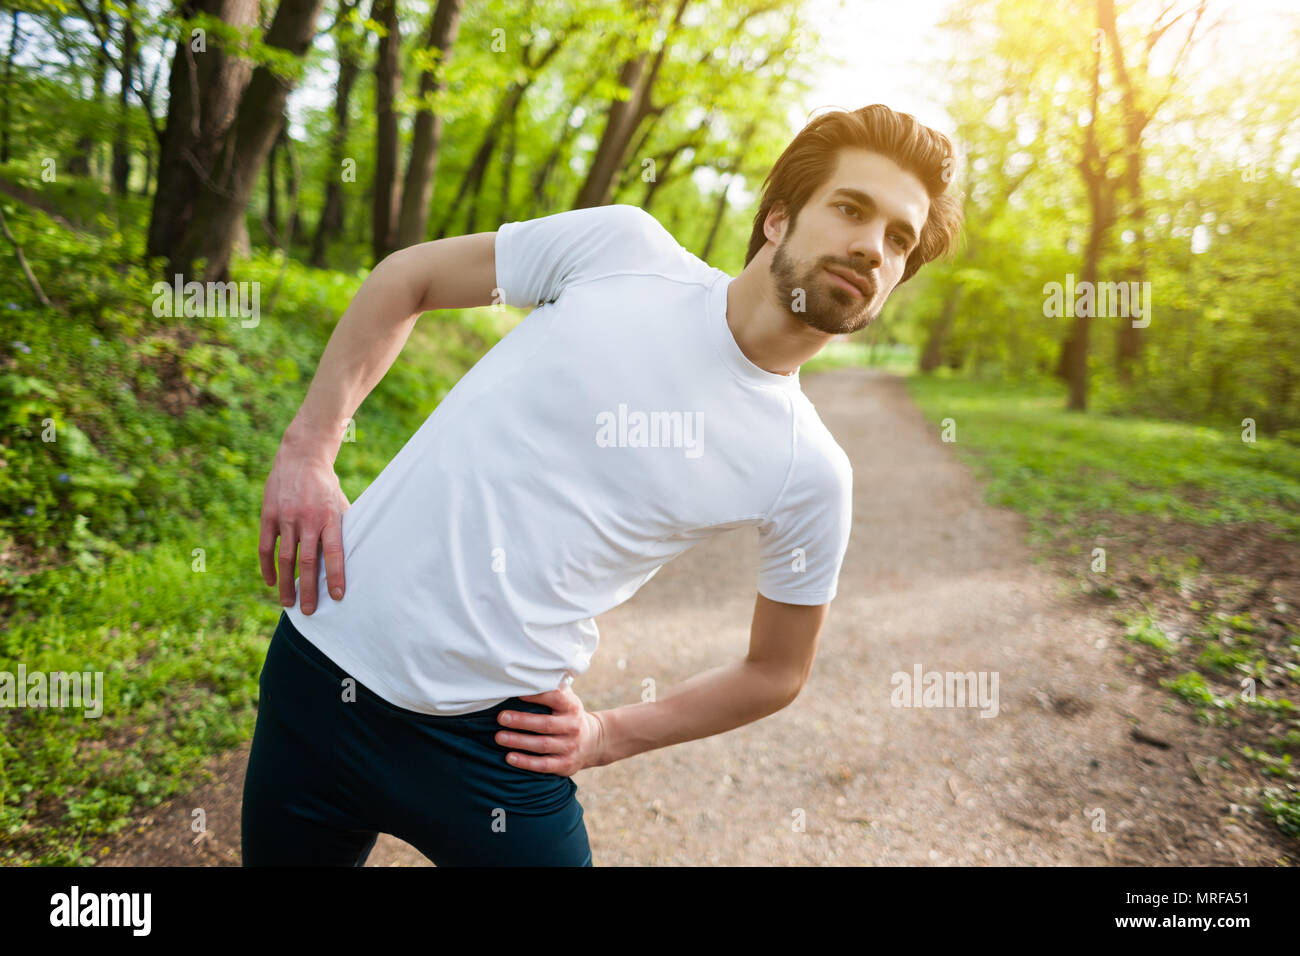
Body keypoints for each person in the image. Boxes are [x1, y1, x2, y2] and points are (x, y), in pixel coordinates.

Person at [242, 103, 964, 866]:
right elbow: (411, 277)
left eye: (899, 240)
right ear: (780, 219)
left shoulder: (810, 470)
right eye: (852, 208)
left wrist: (606, 735)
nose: (872, 248)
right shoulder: (625, 249)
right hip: (321, 677)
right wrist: (308, 450)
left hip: (494, 751)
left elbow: (777, 671)